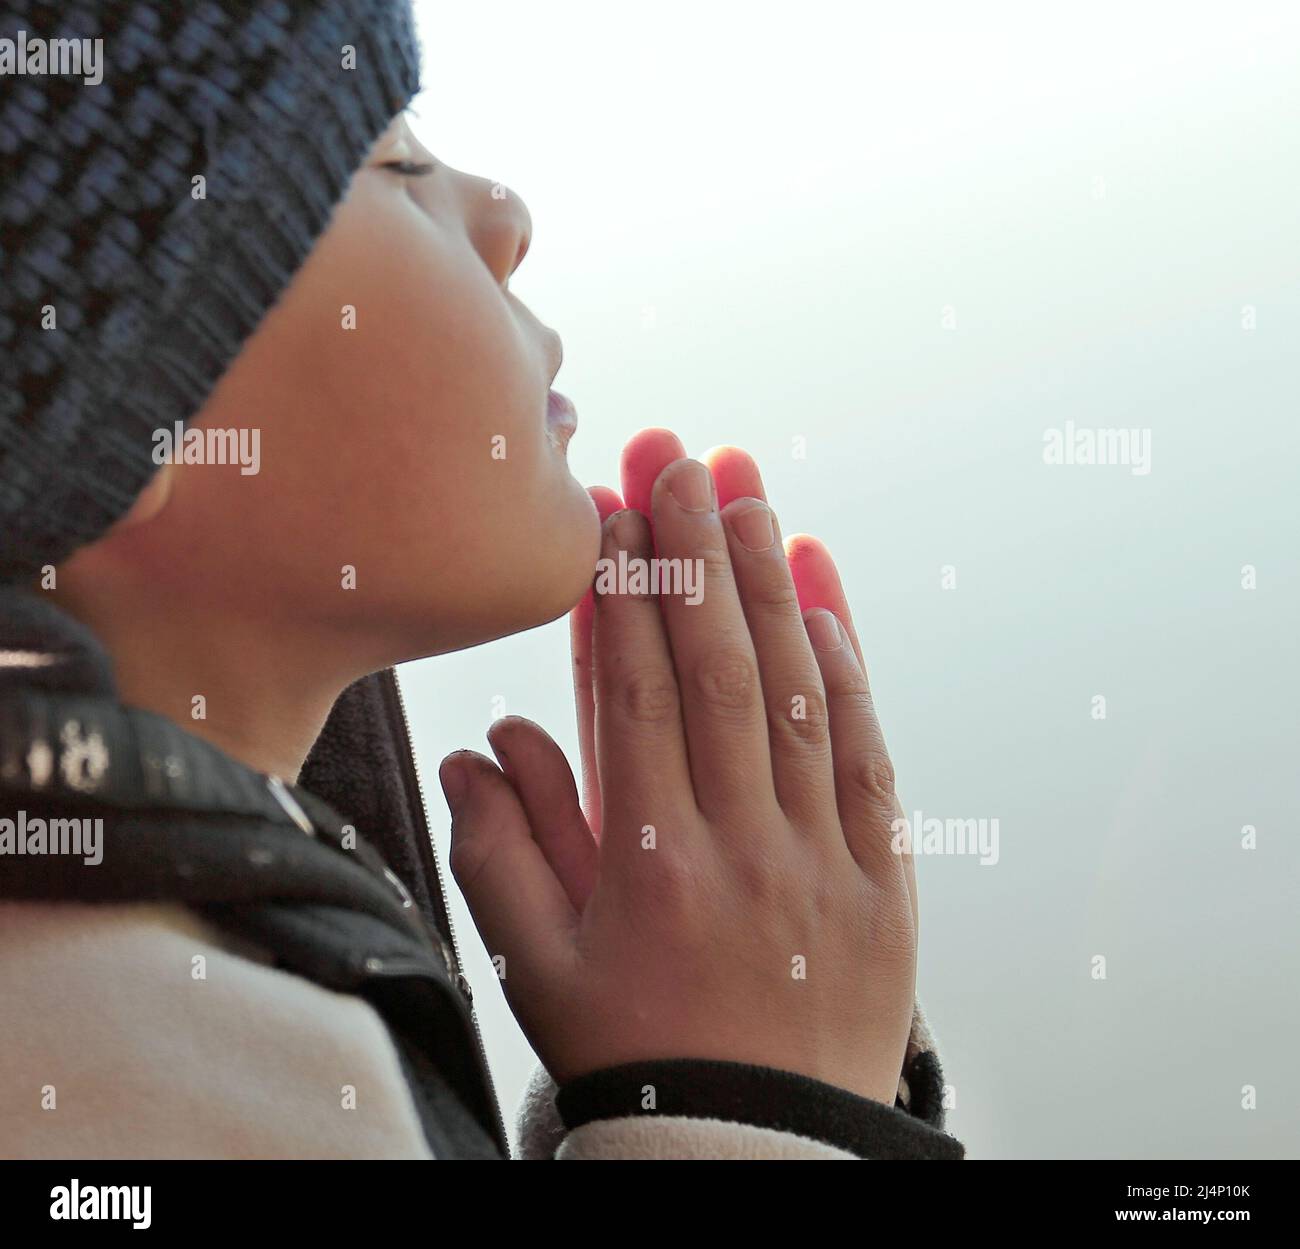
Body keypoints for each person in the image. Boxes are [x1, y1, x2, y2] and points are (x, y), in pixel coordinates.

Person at [0, 0, 962, 1160]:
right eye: (391, 160)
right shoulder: (133, 1078)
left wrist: (659, 1092)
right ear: (125, 413)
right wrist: (759, 1112)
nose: (504, 215)